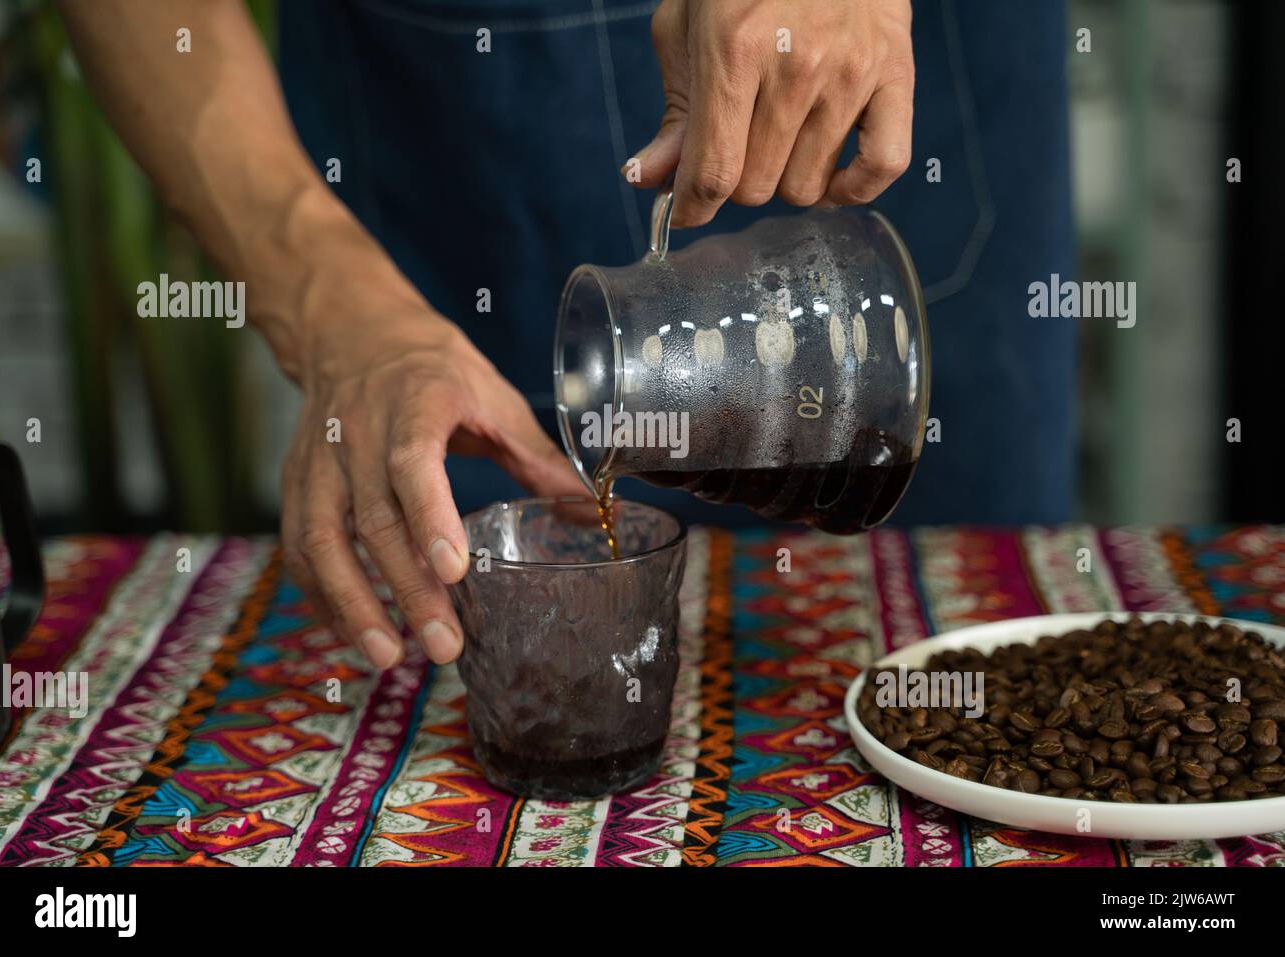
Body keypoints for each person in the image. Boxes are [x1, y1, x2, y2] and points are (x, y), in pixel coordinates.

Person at [57, 0, 1073, 669]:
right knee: (489, 625)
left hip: (894, 154)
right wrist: (334, 309)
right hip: (461, 187)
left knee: (969, 678)